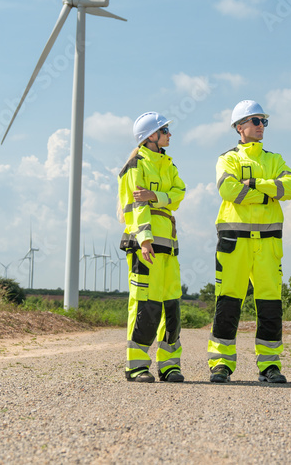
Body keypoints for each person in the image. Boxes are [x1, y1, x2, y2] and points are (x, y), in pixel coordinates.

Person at [208, 100, 291, 384]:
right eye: (256, 121)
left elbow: (289, 188)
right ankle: (221, 363)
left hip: (268, 243)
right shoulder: (227, 158)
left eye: (263, 121)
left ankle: (270, 365)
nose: (261, 126)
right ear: (239, 127)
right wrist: (269, 189)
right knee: (228, 302)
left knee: (270, 304)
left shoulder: (276, 159)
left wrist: (254, 185)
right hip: (234, 241)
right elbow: (229, 190)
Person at [118, 112, 186, 383]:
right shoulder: (135, 166)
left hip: (168, 247)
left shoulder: (168, 164)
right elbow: (136, 205)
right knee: (145, 305)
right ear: (151, 137)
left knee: (171, 306)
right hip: (144, 246)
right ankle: (137, 366)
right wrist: (144, 238)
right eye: (165, 129)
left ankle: (169, 365)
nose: (169, 134)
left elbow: (179, 194)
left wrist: (156, 196)